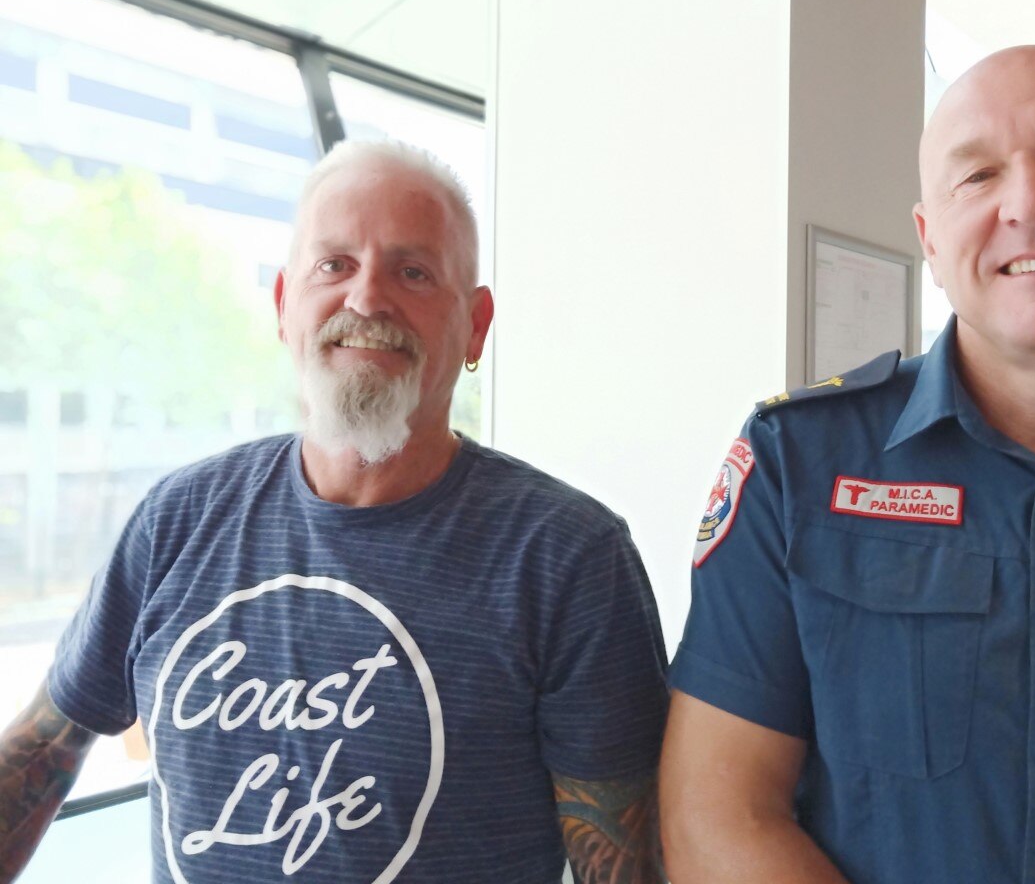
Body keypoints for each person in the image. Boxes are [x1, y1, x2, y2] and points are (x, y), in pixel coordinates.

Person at [659, 45, 1035, 883]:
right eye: (978, 177)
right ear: (931, 240)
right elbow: (717, 816)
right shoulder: (796, 465)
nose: (1029, 202)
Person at [0, 140, 668, 883]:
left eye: (412, 272)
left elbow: (628, 864)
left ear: (475, 325)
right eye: (335, 265)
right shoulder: (176, 523)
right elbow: (40, 750)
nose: (367, 299)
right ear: (286, 306)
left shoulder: (569, 558)